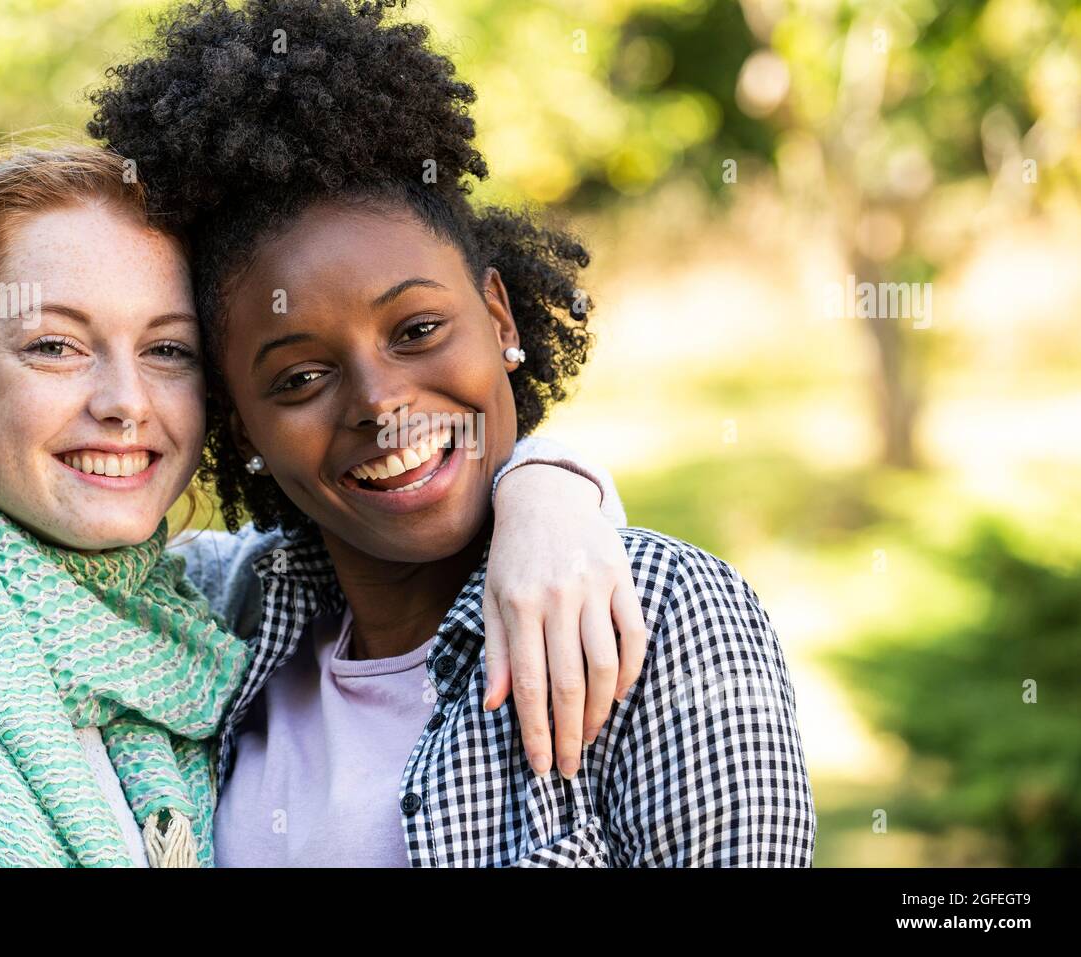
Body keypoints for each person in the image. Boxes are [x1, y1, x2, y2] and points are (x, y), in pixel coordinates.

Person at [79, 0, 819, 865]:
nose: (381, 403)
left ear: (499, 316)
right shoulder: (221, 622)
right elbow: (8, 564)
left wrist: (547, 481)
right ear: (239, 423)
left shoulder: (660, 619)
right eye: (301, 378)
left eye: (418, 330)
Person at [0, 141, 644, 866]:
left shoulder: (213, 616)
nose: (125, 400)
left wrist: (547, 489)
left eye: (166, 349)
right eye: (54, 346)